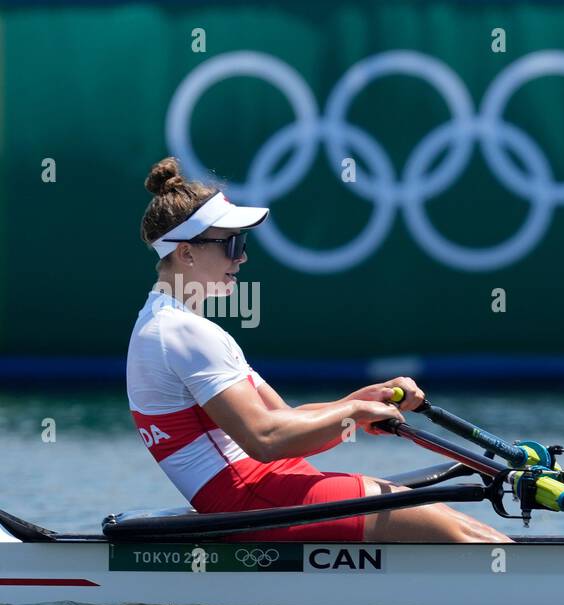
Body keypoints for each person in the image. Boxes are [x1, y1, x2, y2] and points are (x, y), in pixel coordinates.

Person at [129, 157, 508, 543]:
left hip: (270, 485)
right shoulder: (182, 333)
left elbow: (285, 420)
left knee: (455, 523)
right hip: (252, 497)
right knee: (469, 536)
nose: (242, 257)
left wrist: (363, 401)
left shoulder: (170, 325)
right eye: (231, 243)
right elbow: (266, 439)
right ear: (186, 253)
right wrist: (355, 412)